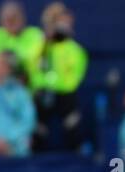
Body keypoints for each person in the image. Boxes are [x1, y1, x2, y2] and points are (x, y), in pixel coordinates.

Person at [30, 2, 86, 150]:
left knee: (72, 123)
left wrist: (58, 87)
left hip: (65, 95)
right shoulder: (40, 45)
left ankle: (78, 155)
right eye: (55, 22)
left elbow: (74, 79)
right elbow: (33, 69)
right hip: (42, 94)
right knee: (37, 127)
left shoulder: (75, 50)